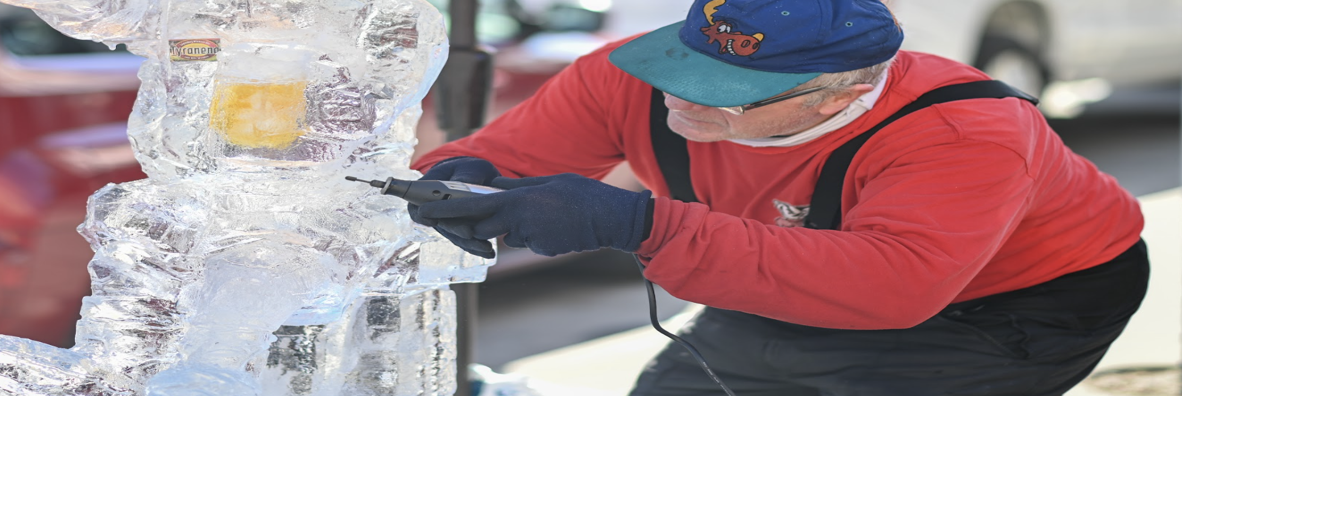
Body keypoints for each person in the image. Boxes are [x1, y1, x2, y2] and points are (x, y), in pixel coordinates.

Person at [409, 0, 1150, 396]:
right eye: (681, 66)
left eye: (726, 96)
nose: (682, 98)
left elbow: (893, 287)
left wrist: (638, 223)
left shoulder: (965, 132)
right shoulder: (630, 73)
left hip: (1013, 299)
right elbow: (504, 155)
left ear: (845, 94)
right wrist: (463, 178)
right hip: (805, 262)